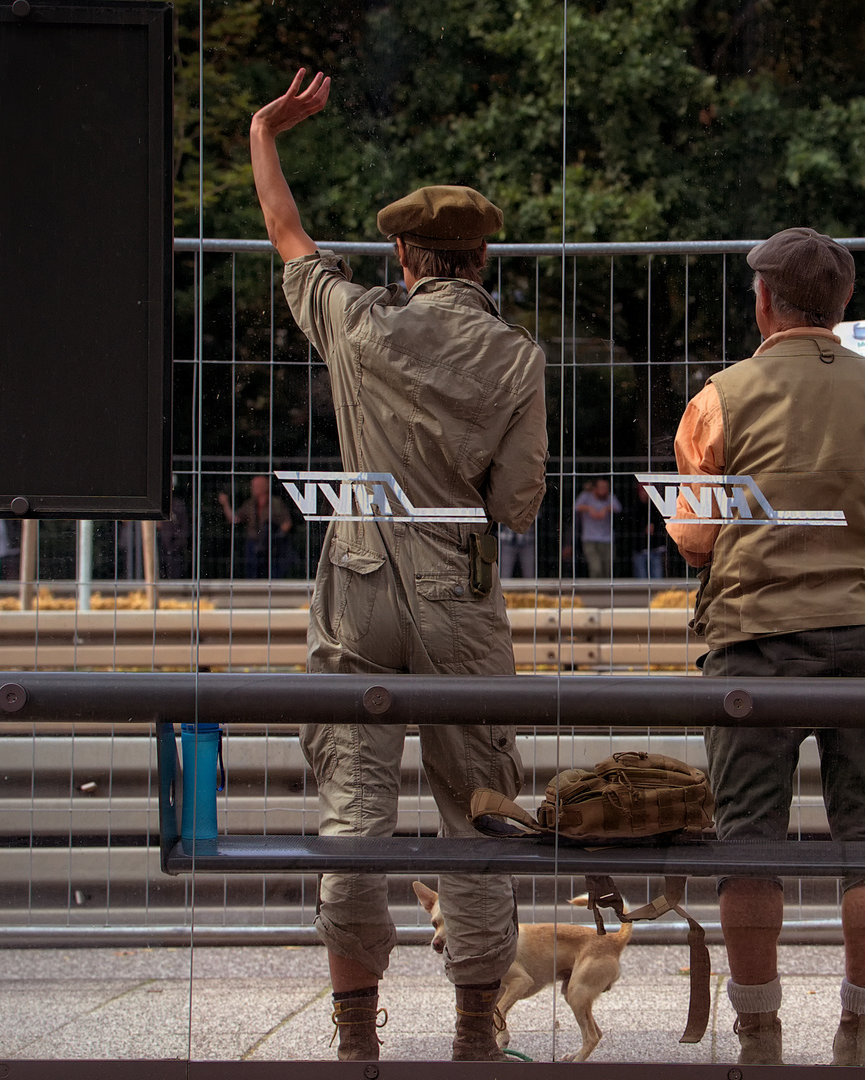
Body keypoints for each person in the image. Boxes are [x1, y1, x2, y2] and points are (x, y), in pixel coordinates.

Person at [251, 69, 547, 1062]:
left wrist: (263, 133)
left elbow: (289, 237)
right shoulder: (515, 356)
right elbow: (517, 501)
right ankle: (474, 1032)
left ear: (401, 257)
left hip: (358, 579)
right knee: (478, 809)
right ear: (482, 257)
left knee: (352, 810)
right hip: (458, 586)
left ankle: (355, 1035)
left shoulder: (357, 323)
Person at [667, 227, 865, 1067]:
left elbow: (694, 538)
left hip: (754, 637)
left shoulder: (721, 396)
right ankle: (861, 1030)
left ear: (762, 303)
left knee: (748, 839)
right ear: (842, 305)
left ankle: (758, 1034)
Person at [217, 474, 295, 579]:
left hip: (271, 546)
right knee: (253, 574)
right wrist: (225, 504)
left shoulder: (276, 504)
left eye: (256, 486)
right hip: (253, 545)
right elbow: (234, 519)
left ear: (265, 487)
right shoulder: (250, 504)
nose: (253, 488)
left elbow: (287, 523)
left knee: (272, 574)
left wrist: (276, 537)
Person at [573, 477, 620, 577]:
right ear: (594, 489)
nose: (605, 490)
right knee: (596, 567)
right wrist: (589, 509)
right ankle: (596, 586)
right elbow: (576, 506)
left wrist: (606, 509)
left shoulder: (610, 497)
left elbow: (618, 508)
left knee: (608, 568)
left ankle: (606, 587)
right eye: (602, 487)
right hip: (590, 538)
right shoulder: (586, 496)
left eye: (606, 487)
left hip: (607, 539)